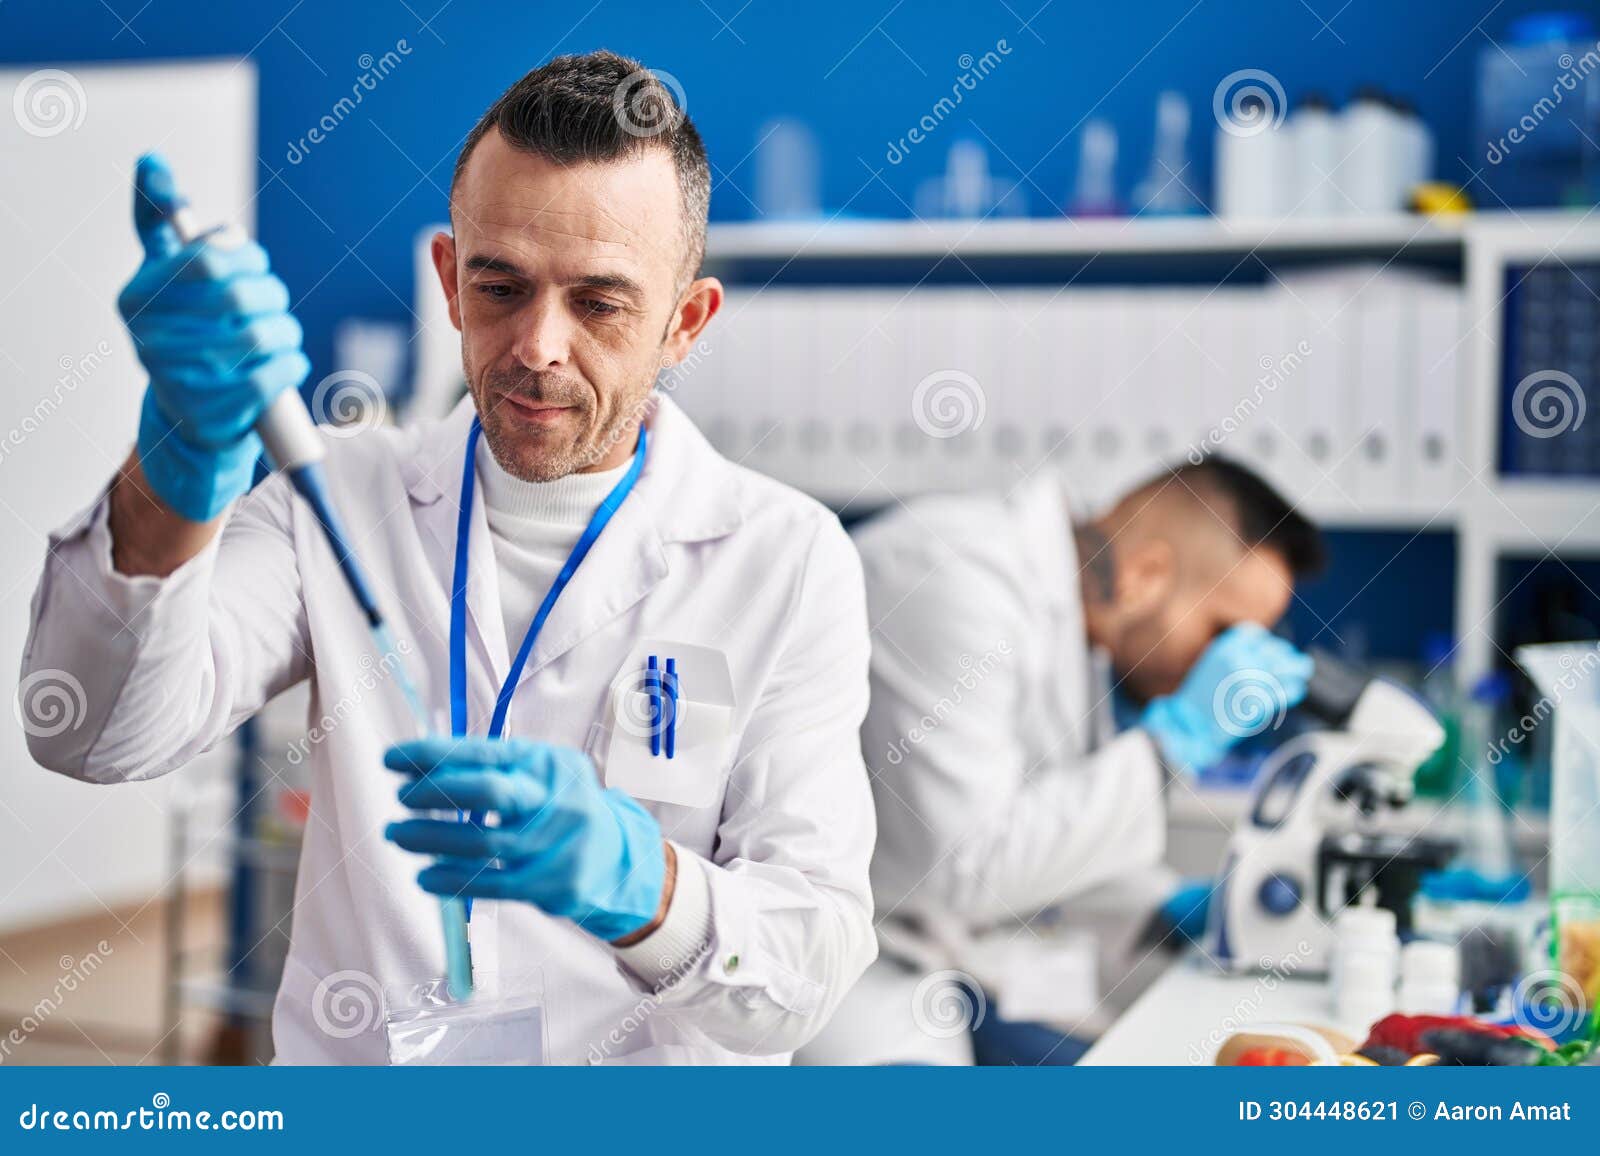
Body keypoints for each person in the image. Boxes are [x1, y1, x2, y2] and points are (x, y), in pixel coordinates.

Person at [22, 51, 877, 1065]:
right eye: (501, 286)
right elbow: (94, 735)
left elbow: (810, 967)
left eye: (599, 303)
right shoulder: (333, 495)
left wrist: (639, 883)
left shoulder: (785, 559)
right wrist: (179, 459)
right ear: (448, 281)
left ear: (683, 322)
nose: (537, 346)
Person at [798, 456, 1324, 1065]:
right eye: (1221, 633)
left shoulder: (1087, 635)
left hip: (960, 955)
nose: (1224, 666)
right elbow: (962, 865)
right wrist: (1166, 747)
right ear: (1147, 574)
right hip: (850, 966)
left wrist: (1164, 908)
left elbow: (1042, 827)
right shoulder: (955, 575)